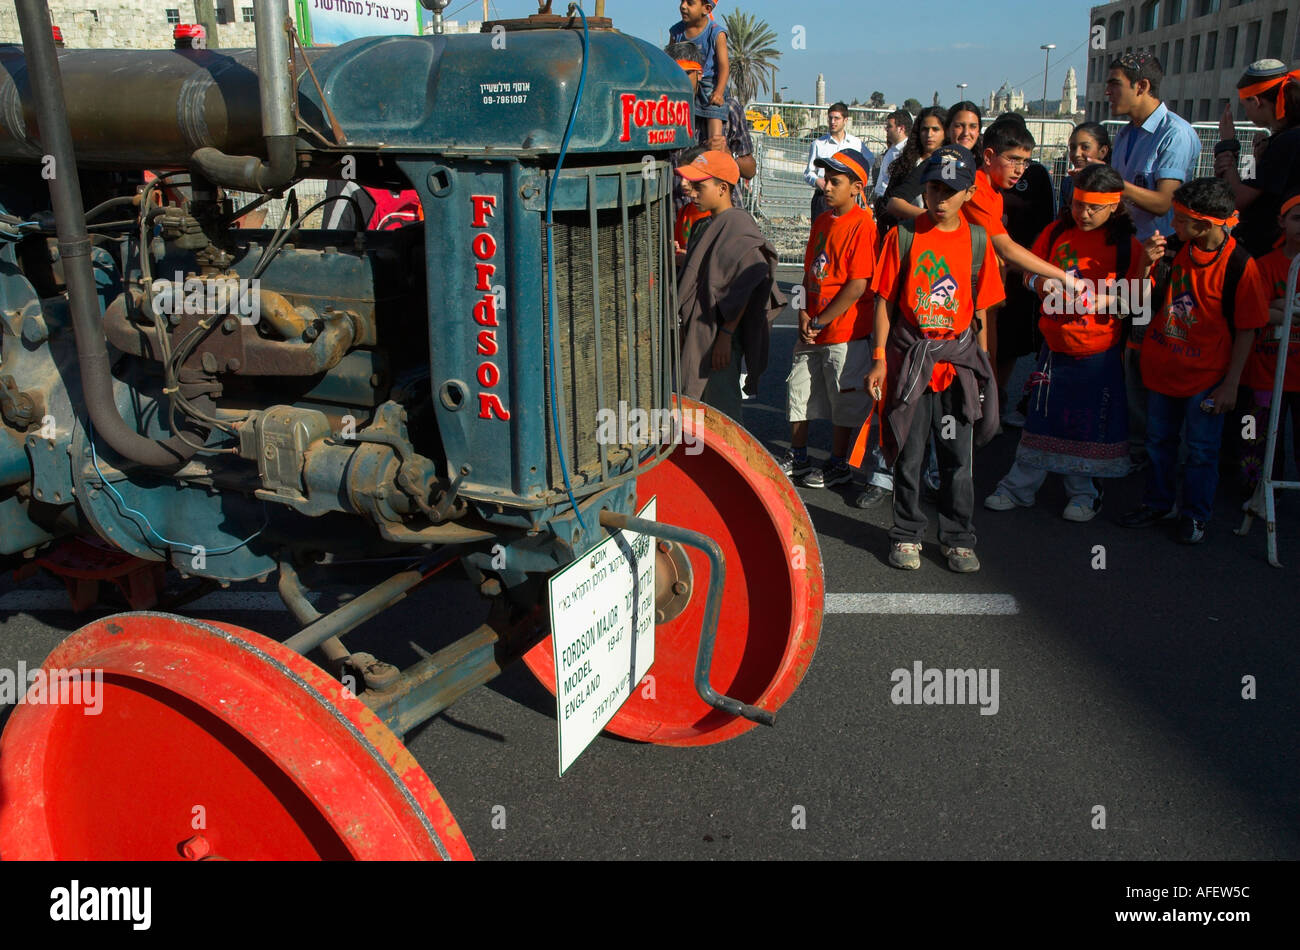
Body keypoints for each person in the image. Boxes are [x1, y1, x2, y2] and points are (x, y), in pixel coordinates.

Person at [866, 145, 1004, 573]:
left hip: (957, 367)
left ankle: (958, 536)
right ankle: (907, 533)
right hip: (912, 365)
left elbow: (982, 313)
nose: (940, 199)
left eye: (951, 190)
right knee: (908, 454)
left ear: (969, 193)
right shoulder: (903, 235)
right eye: (933, 188)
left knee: (957, 459)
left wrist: (986, 368)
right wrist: (878, 360)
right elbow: (885, 302)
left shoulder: (978, 241)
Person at [985, 164, 1148, 521]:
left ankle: (1084, 493)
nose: (1083, 214)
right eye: (1078, 204)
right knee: (1040, 420)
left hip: (1098, 353)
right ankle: (1018, 487)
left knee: (1088, 424)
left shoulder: (1128, 247)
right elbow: (1028, 270)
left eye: (1093, 208)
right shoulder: (1056, 231)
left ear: (1114, 206)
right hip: (1052, 349)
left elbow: (1138, 300)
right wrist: (1041, 285)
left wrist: (1100, 299)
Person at [1118, 178, 1271, 544]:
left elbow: (1248, 328)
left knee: (1203, 451)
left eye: (1182, 220)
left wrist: (1231, 384)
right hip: (1162, 367)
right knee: (1158, 441)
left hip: (1207, 377)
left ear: (1206, 224)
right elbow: (1137, 301)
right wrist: (1144, 265)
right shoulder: (1169, 249)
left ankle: (1195, 515)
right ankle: (1158, 503)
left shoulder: (1240, 264)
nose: (1174, 225)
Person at [1105, 50, 1199, 470]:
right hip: (1127, 255)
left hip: (1159, 261)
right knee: (1123, 346)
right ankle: (1128, 434)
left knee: (1144, 350)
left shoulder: (1175, 135)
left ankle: (1146, 446)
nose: (1108, 92)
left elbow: (1165, 201)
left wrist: (1113, 184)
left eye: (1115, 84)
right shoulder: (1127, 133)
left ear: (1141, 87)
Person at [779, 149, 877, 489]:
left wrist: (820, 320)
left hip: (845, 332)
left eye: (836, 181)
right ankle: (800, 457)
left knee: (842, 400)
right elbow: (809, 272)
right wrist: (804, 312)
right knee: (799, 392)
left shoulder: (863, 226)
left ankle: (838, 463)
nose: (827, 187)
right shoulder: (822, 220)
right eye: (826, 179)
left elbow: (857, 285)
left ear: (857, 188)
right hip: (814, 328)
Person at [675, 150, 785, 419]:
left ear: (723, 188)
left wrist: (725, 335)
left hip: (719, 338)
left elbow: (745, 284)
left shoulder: (738, 224)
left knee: (720, 413)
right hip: (699, 333)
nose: (690, 192)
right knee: (696, 410)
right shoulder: (705, 224)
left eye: (699, 186)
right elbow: (710, 269)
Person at [1236, 191, 1300, 494]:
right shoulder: (1262, 265)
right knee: (1254, 433)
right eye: (1297, 218)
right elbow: (1256, 313)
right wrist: (1283, 310)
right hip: (1263, 368)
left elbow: (1269, 309)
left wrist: (1277, 306)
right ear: (1282, 222)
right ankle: (1255, 494)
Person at [994, 113, 1057, 417]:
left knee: (1009, 340)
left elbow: (1045, 224)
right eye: (1012, 158)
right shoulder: (980, 183)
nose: (1018, 168)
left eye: (1024, 160)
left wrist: (1034, 265)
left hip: (1020, 269)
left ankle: (998, 399)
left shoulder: (1037, 176)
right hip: (987, 271)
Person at [1214, 60, 1300, 260]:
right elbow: (1253, 182)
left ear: (1256, 101)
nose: (1246, 113)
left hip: (1270, 251)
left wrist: (1227, 145)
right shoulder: (1282, 139)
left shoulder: (1287, 142)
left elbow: (1238, 198)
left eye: (1245, 106)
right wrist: (1254, 158)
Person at [665, 43, 756, 212]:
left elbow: (750, 170)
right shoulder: (660, 112)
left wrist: (729, 155)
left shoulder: (728, 110)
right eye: (672, 75)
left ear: (699, 74)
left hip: (720, 219)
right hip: (678, 218)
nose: (678, 81)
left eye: (685, 74)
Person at [876, 106, 946, 231]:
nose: (929, 135)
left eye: (935, 129)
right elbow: (889, 203)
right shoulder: (906, 162)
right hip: (908, 231)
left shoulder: (949, 163)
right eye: (925, 129)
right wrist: (930, 217)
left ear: (945, 132)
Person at [669, 0, 729, 147]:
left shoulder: (716, 33)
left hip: (708, 81)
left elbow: (724, 66)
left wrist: (719, 92)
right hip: (683, 80)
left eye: (690, 3)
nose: (683, 6)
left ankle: (715, 147)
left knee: (714, 108)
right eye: (682, 1)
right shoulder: (676, 32)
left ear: (706, 9)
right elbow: (669, 60)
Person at [804, 102, 868, 221]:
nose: (833, 122)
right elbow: (808, 172)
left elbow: (869, 162)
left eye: (836, 118)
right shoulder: (818, 144)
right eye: (830, 118)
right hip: (824, 198)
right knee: (821, 235)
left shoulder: (857, 144)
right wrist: (817, 181)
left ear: (845, 120)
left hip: (847, 197)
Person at [1059, 122, 1112, 211]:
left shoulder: (1111, 186)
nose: (1077, 154)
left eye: (1085, 147)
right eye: (1073, 148)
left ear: (1102, 151)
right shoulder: (1068, 184)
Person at [873, 109, 912, 200]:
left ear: (901, 128)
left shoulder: (907, 153)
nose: (886, 129)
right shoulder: (892, 150)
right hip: (881, 201)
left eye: (889, 126)